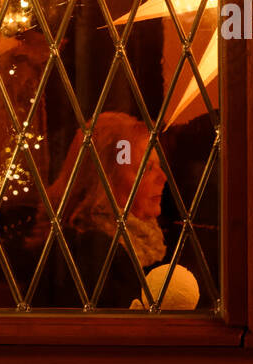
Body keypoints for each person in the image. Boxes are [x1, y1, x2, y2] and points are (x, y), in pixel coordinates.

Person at [46, 111, 179, 309]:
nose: (163, 177)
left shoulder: (144, 241)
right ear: (105, 179)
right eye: (146, 168)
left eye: (158, 166)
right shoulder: (94, 253)